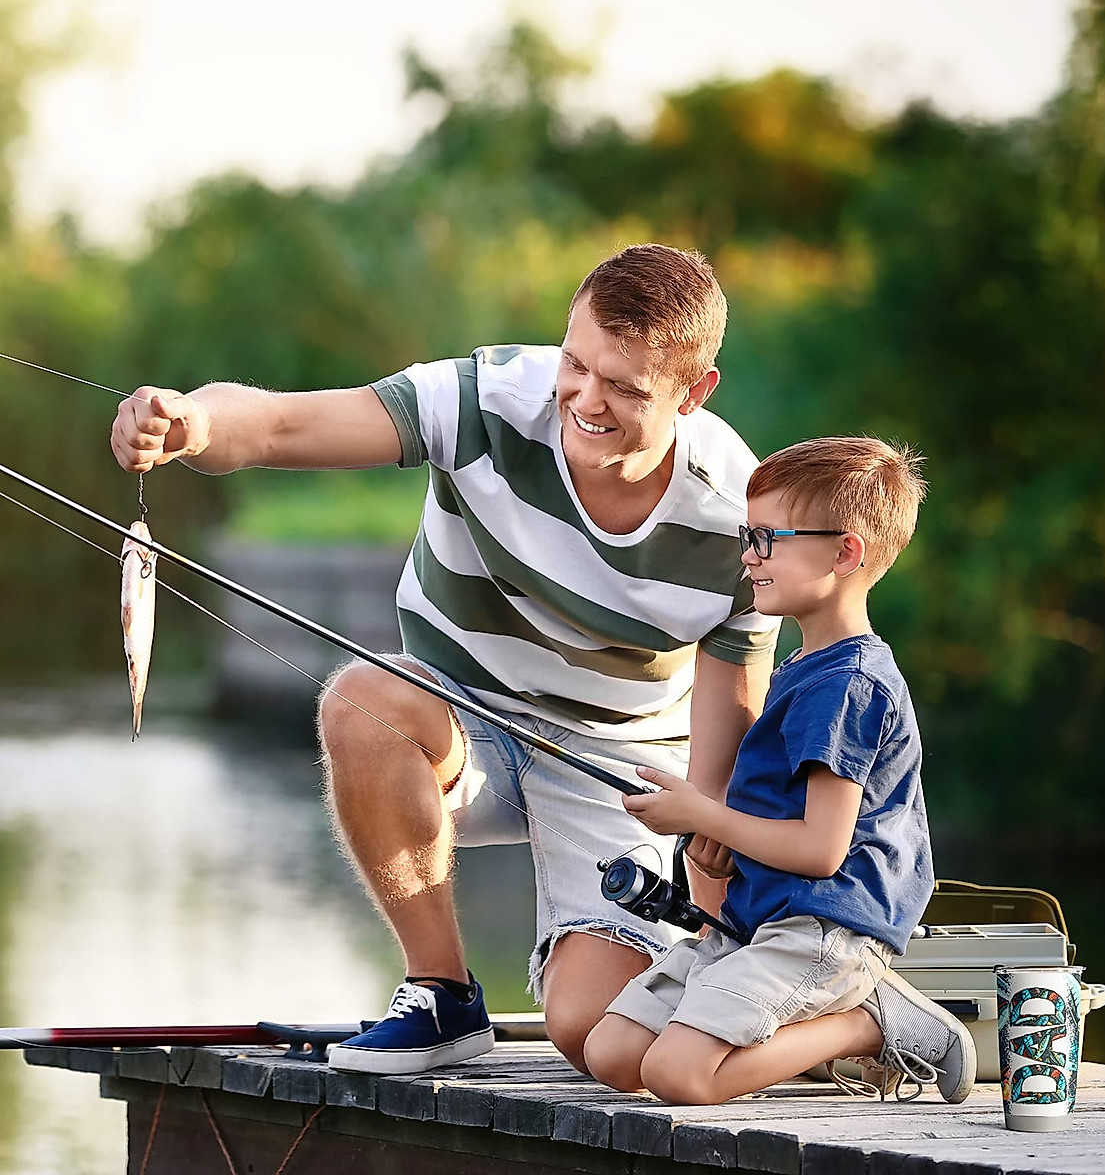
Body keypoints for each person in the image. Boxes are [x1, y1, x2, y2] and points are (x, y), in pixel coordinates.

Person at [108, 244, 780, 1075]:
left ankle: (810, 1007)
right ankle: (441, 996)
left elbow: (729, 739)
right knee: (362, 698)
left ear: (695, 390)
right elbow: (279, 423)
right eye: (576, 362)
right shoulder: (482, 399)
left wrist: (715, 868)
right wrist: (190, 424)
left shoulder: (735, 520)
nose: (586, 400)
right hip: (459, 713)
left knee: (592, 1034)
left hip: (621, 767)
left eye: (627, 387)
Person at [583, 436, 977, 1106]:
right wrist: (718, 843)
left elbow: (822, 852)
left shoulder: (849, 685)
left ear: (844, 552)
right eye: (748, 536)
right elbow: (778, 823)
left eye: (768, 539)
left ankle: (868, 1023)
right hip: (761, 923)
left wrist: (702, 814)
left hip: (827, 929)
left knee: (679, 1077)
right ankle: (823, 1026)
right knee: (613, 1052)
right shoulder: (806, 669)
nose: (748, 556)